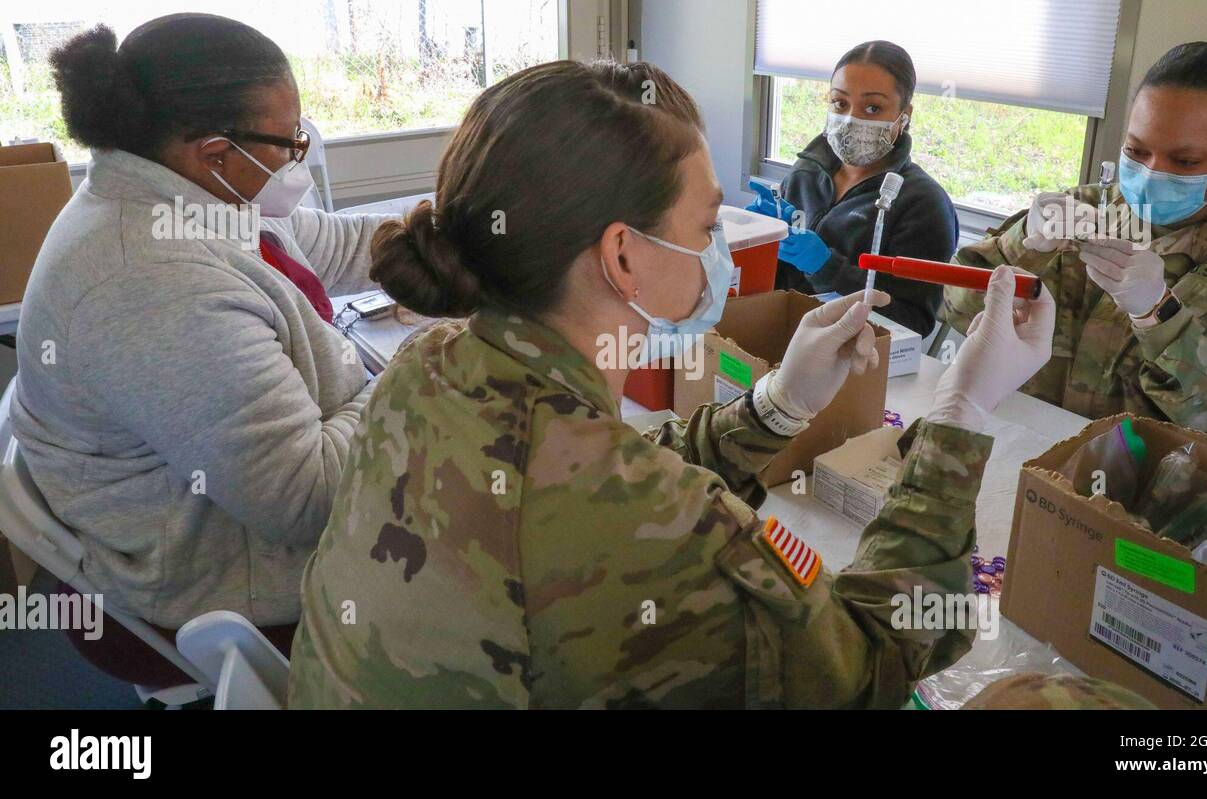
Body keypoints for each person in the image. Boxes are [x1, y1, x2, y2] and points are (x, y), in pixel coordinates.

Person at [287, 59, 1054, 709]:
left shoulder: (426, 367)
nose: (717, 249)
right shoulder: (659, 523)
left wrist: (779, 404)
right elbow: (871, 655)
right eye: (707, 225)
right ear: (624, 258)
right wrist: (963, 411)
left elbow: (623, 468)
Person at [11, 14, 395, 685]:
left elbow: (320, 243)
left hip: (224, 509)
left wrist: (432, 239)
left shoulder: (179, 189)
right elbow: (306, 498)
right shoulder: (149, 282)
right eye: (289, 143)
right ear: (215, 150)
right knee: (496, 557)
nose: (298, 156)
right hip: (215, 585)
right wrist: (413, 377)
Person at [941, 42, 1207, 457]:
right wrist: (1023, 245)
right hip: (1014, 454)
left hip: (1144, 500)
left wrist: (1160, 317)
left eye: (1184, 162)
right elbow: (954, 308)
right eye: (1136, 151)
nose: (1151, 173)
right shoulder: (1078, 211)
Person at [750, 41, 958, 338]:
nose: (850, 119)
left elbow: (912, 322)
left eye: (873, 108)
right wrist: (756, 241)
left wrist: (828, 268)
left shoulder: (923, 204)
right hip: (777, 338)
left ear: (904, 114)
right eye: (840, 103)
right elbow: (772, 284)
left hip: (852, 358)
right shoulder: (805, 175)